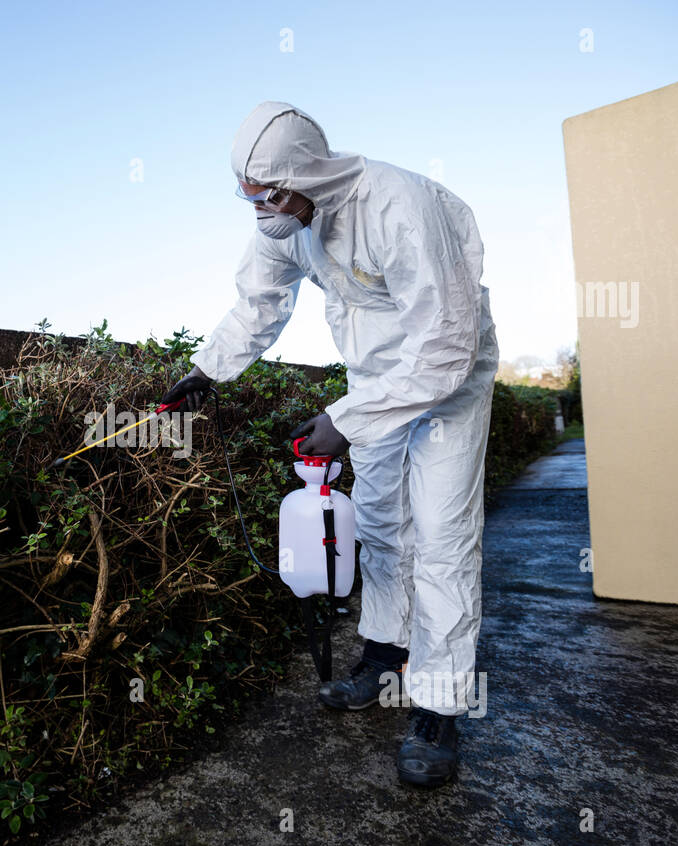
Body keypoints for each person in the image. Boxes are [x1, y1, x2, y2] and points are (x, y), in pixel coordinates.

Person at [161, 101, 500, 788]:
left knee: (440, 538)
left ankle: (437, 709)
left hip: (449, 382)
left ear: (310, 175)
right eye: (251, 198)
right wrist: (207, 369)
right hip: (373, 386)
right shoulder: (286, 223)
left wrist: (345, 420)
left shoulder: (398, 205)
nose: (264, 211)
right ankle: (382, 656)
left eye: (274, 195)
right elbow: (258, 303)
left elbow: (445, 345)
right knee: (378, 526)